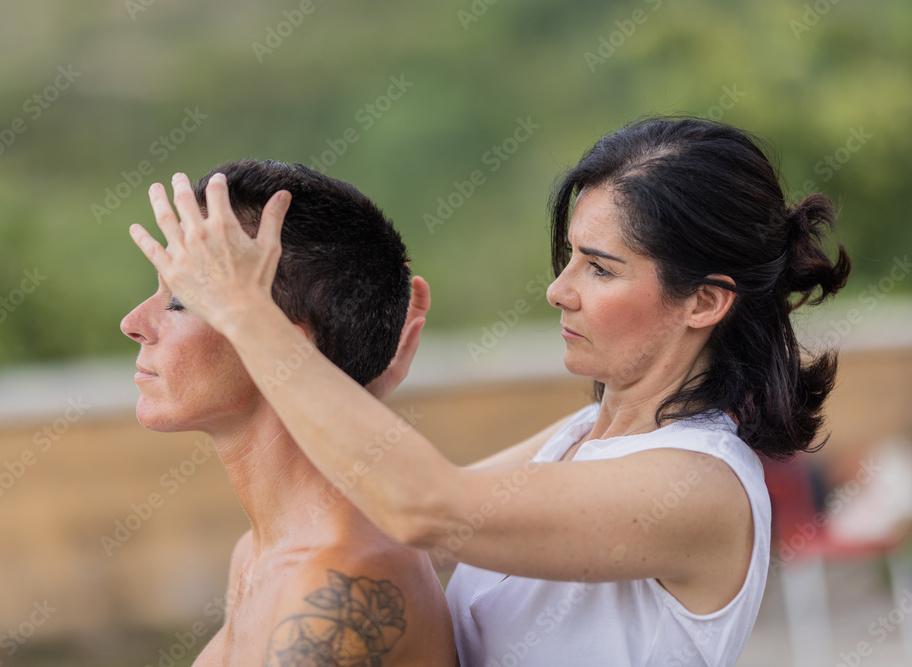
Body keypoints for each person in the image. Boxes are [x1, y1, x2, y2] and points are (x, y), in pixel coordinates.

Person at [129, 116, 852, 666]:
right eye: (570, 256)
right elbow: (381, 501)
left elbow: (424, 508)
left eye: (600, 268)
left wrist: (246, 315)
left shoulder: (696, 485)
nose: (559, 290)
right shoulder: (586, 437)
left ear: (703, 301)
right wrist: (358, 370)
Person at [120, 159, 458, 666]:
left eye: (183, 299)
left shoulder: (339, 584)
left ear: (279, 346)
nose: (133, 323)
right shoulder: (262, 553)